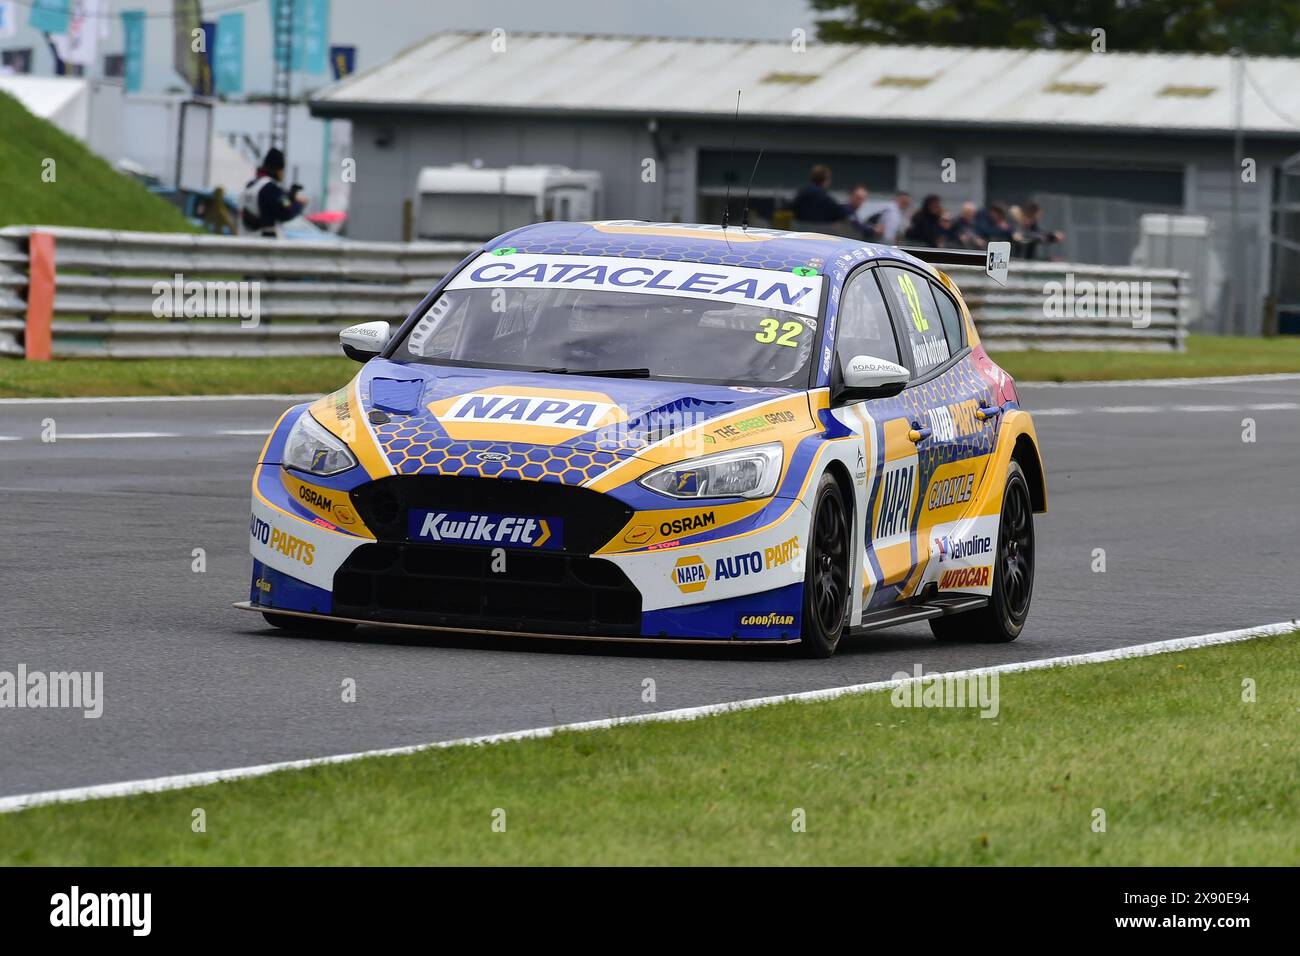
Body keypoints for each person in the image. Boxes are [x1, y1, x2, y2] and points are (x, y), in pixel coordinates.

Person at [239, 147, 307, 238]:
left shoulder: (251, 185)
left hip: (245, 239)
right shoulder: (271, 188)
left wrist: (289, 197)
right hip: (265, 244)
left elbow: (278, 203)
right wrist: (299, 204)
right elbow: (286, 211)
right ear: (279, 170)